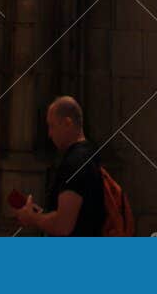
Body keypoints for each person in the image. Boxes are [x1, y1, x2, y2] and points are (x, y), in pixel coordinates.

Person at [11, 96, 106, 236]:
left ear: (67, 123)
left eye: (52, 126)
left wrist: (32, 218)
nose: (50, 134)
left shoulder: (75, 162)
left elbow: (63, 226)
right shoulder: (89, 154)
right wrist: (43, 215)